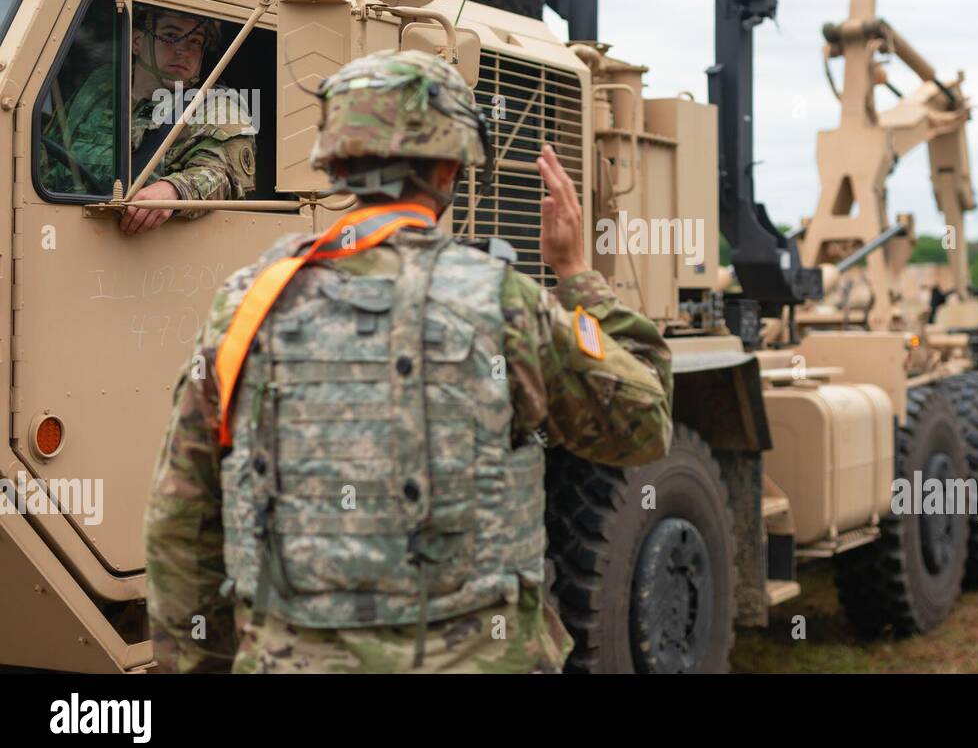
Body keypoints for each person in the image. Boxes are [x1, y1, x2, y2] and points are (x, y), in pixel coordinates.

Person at [143, 49, 673, 673]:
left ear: (335, 163)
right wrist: (578, 274)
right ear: (451, 168)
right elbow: (641, 423)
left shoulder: (248, 302)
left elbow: (182, 518)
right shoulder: (500, 301)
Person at [40, 4, 257, 234]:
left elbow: (224, 174)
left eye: (195, 42)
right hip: (58, 222)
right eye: (171, 36)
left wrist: (173, 190)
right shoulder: (101, 86)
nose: (184, 50)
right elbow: (48, 149)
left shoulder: (216, 107)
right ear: (137, 42)